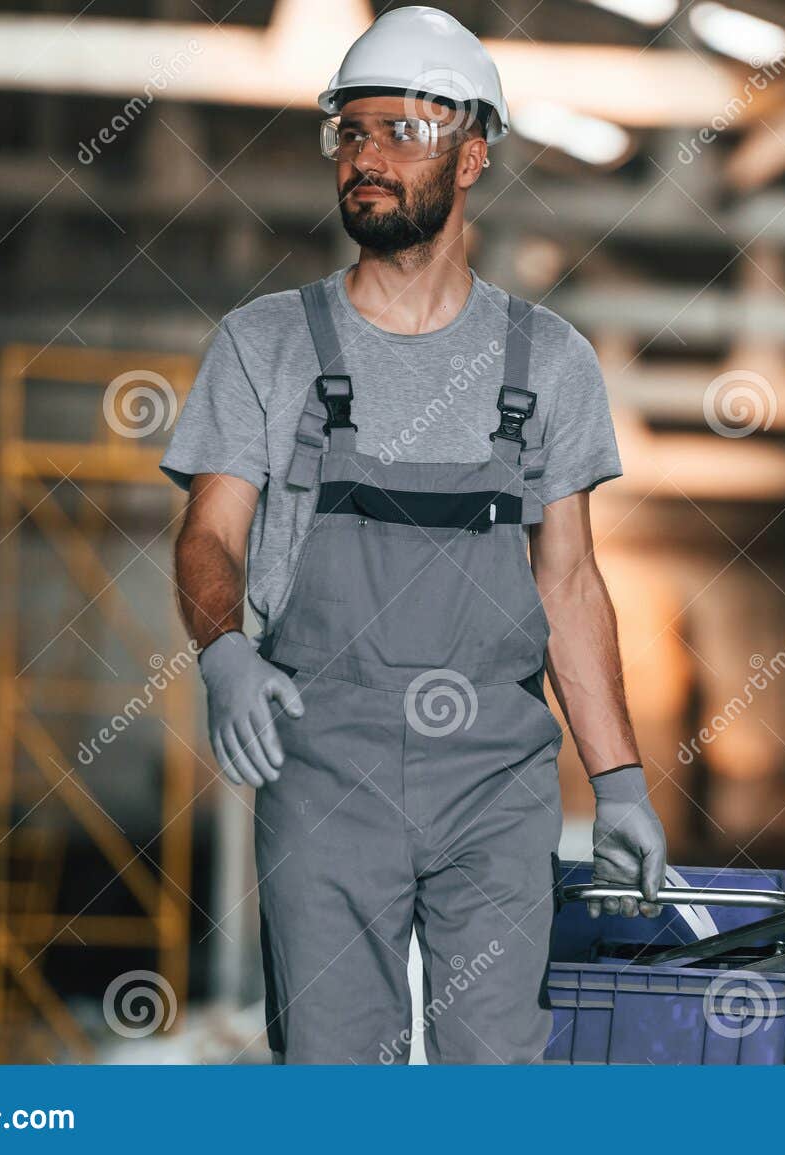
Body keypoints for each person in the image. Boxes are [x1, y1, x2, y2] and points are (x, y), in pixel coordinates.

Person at [159, 6, 667, 1064]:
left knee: (497, 1076)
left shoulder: (550, 360)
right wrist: (225, 651)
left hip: (496, 774)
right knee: (336, 1075)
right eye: (351, 132)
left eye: (403, 132)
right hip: (324, 760)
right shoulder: (265, 345)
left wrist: (617, 781)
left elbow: (570, 586)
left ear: (472, 155)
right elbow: (210, 533)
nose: (368, 158)